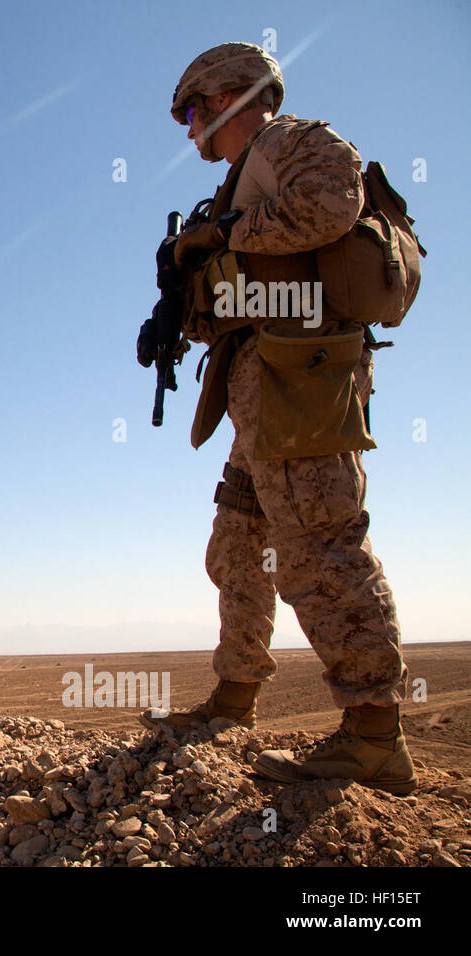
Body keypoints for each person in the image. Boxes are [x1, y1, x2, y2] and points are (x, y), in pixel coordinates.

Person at [138, 42, 415, 795]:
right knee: (238, 547)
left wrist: (226, 236)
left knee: (319, 549)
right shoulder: (239, 178)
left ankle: (372, 734)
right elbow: (247, 284)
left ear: (235, 94)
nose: (190, 128)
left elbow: (330, 205)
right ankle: (234, 700)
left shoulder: (294, 140)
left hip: (305, 383)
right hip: (260, 387)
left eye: (194, 110)